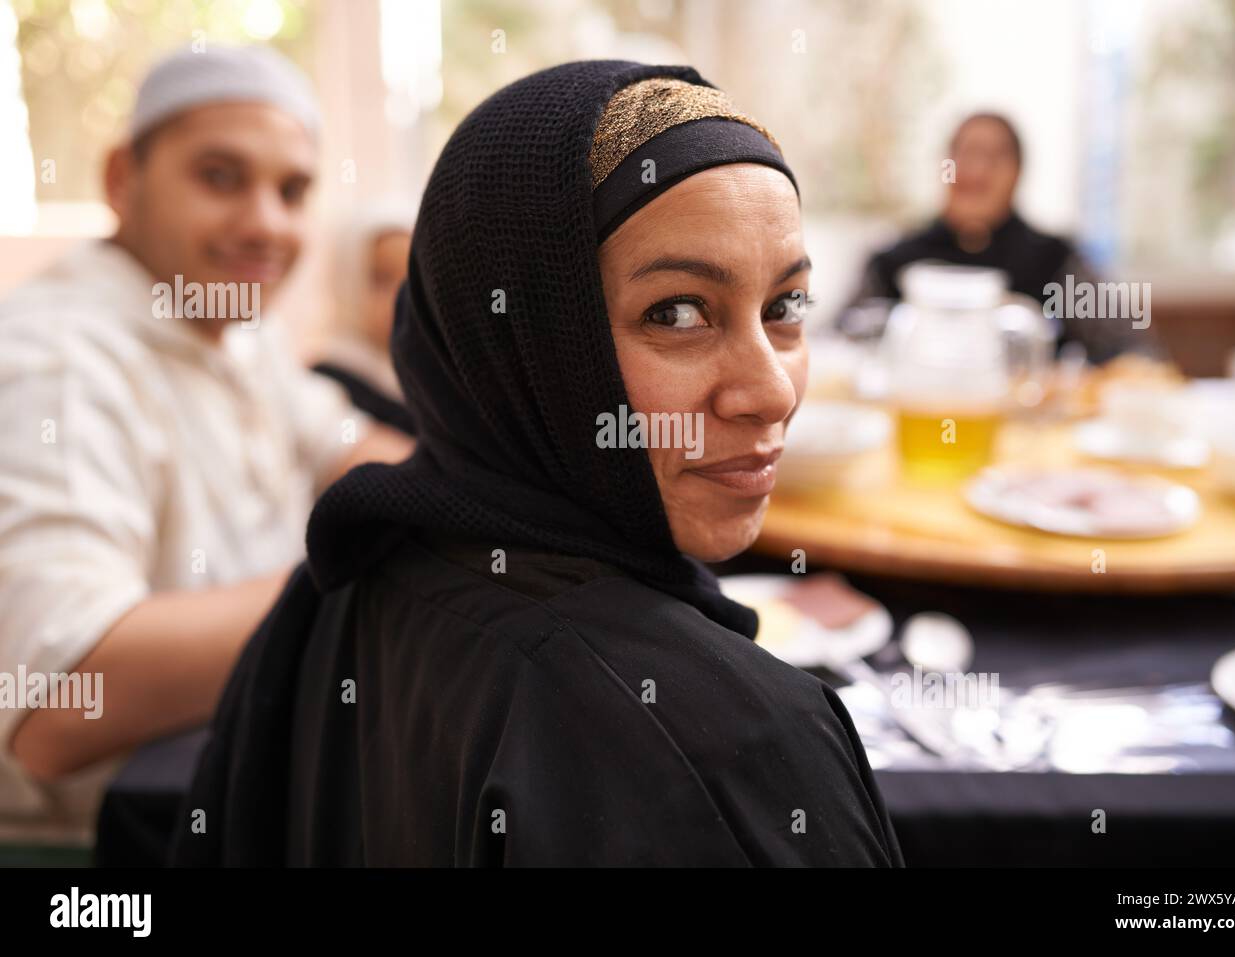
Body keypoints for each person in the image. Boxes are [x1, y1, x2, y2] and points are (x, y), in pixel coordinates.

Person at [171, 61, 903, 867]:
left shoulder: (341, 583)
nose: (770, 390)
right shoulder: (722, 738)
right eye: (679, 312)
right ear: (524, 342)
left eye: (785, 308)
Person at [0, 45, 411, 845]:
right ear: (123, 179)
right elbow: (60, 700)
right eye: (220, 176)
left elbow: (354, 449)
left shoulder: (231, 334)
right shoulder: (56, 362)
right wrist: (366, 566)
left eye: (292, 190)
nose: (264, 221)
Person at [841, 113, 1138, 363]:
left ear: (1018, 173)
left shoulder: (1056, 260)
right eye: (966, 154)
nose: (977, 170)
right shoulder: (893, 260)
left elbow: (1133, 354)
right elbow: (837, 346)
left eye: (995, 158)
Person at [311, 203, 416, 435]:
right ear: (347, 282)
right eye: (381, 279)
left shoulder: (432, 377)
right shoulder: (329, 383)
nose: (401, 297)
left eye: (413, 280)